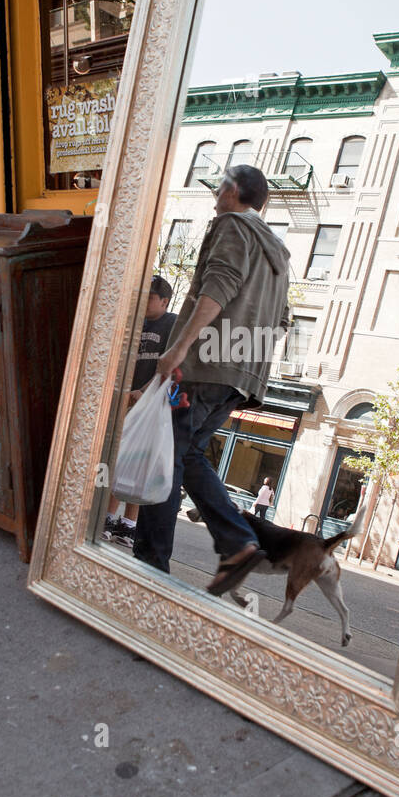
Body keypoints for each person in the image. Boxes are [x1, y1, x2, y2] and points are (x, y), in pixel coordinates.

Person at [133, 164, 290, 580]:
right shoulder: (278, 253)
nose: (215, 196)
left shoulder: (232, 226)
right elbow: (283, 320)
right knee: (186, 454)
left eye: (220, 187)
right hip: (242, 376)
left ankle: (150, 565)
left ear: (235, 192)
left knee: (163, 454)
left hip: (204, 367)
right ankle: (238, 543)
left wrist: (177, 350)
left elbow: (218, 286)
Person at [103, 276, 178, 546]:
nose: (144, 302)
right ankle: (110, 518)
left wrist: (144, 392)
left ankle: (128, 524)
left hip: (151, 404)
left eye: (149, 297)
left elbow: (170, 365)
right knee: (118, 459)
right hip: (126, 398)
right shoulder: (136, 324)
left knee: (138, 462)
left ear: (164, 301)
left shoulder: (172, 324)